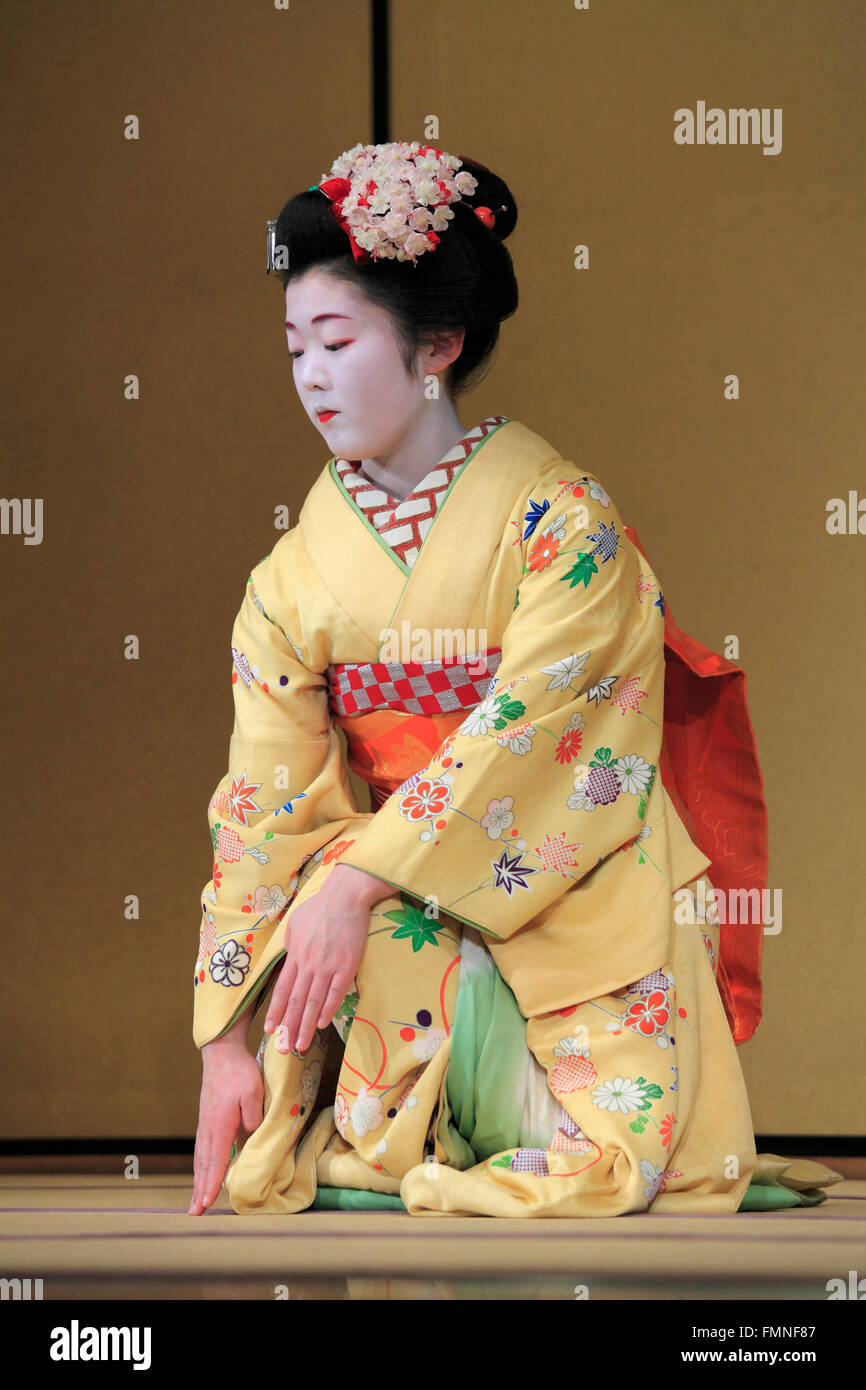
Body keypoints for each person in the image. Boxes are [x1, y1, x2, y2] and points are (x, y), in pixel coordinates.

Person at [187, 142, 829, 1220]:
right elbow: (264, 809)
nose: (308, 374)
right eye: (294, 345)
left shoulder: (561, 521)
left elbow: (539, 729)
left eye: (336, 341)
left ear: (435, 343)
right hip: (387, 906)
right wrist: (224, 1039)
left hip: (570, 871)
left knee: (381, 912)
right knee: (364, 918)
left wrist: (359, 878)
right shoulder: (289, 580)